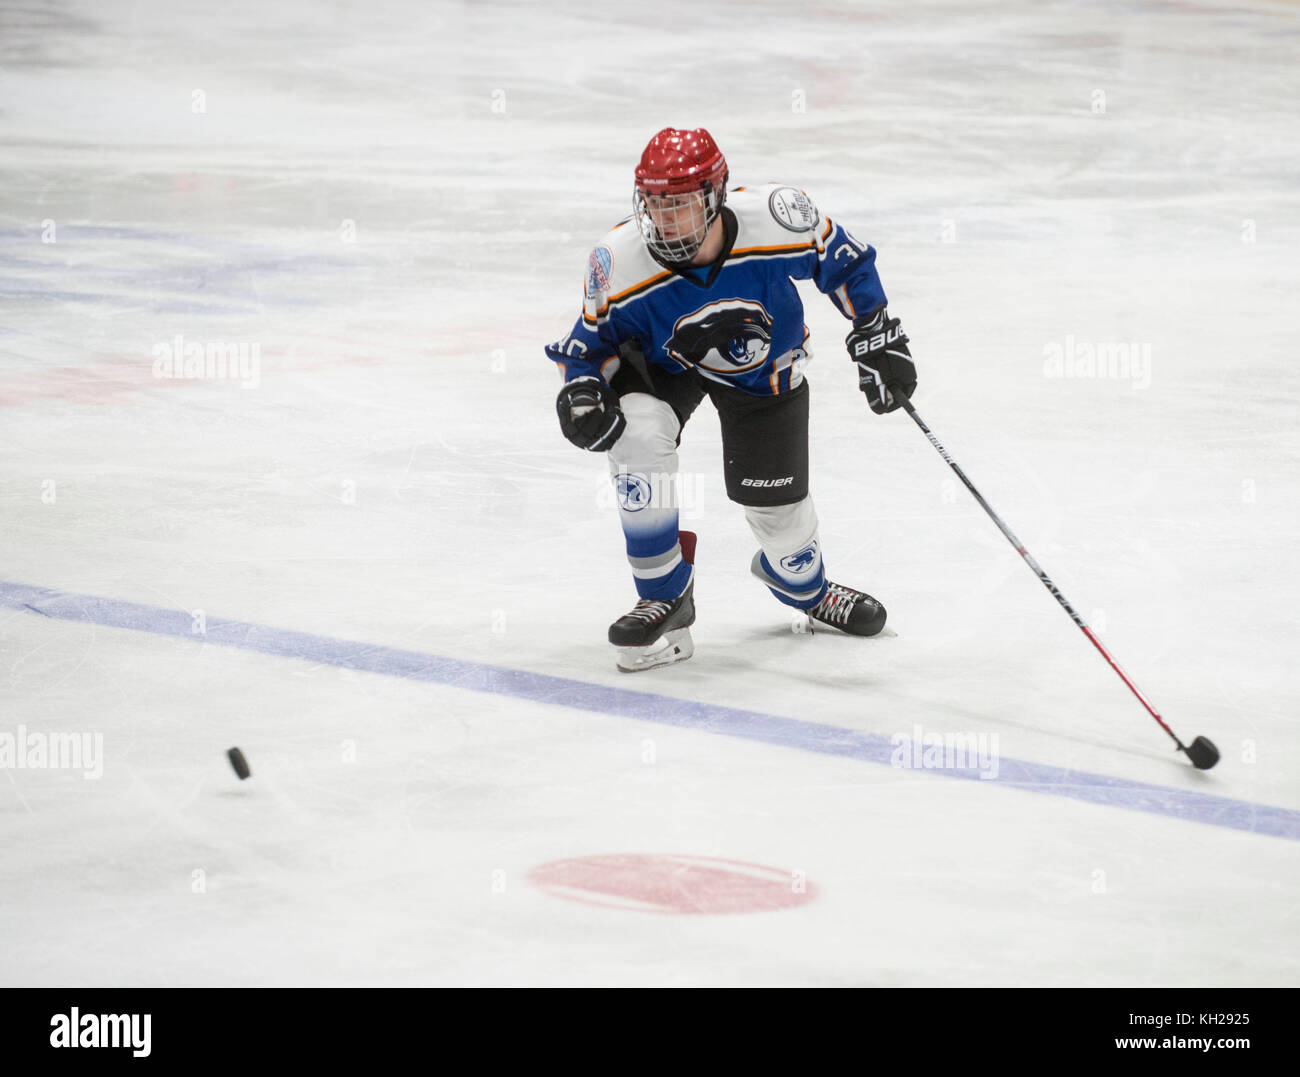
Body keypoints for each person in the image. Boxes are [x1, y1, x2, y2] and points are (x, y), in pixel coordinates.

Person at [545, 127, 917, 672]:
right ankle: (665, 596)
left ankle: (805, 591)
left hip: (762, 370)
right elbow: (585, 348)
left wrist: (875, 330)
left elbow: (846, 262)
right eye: (653, 203)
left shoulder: (778, 216)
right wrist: (580, 392)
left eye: (680, 204)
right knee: (638, 435)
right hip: (662, 365)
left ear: (715, 195)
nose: (664, 219)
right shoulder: (616, 260)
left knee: (779, 517)